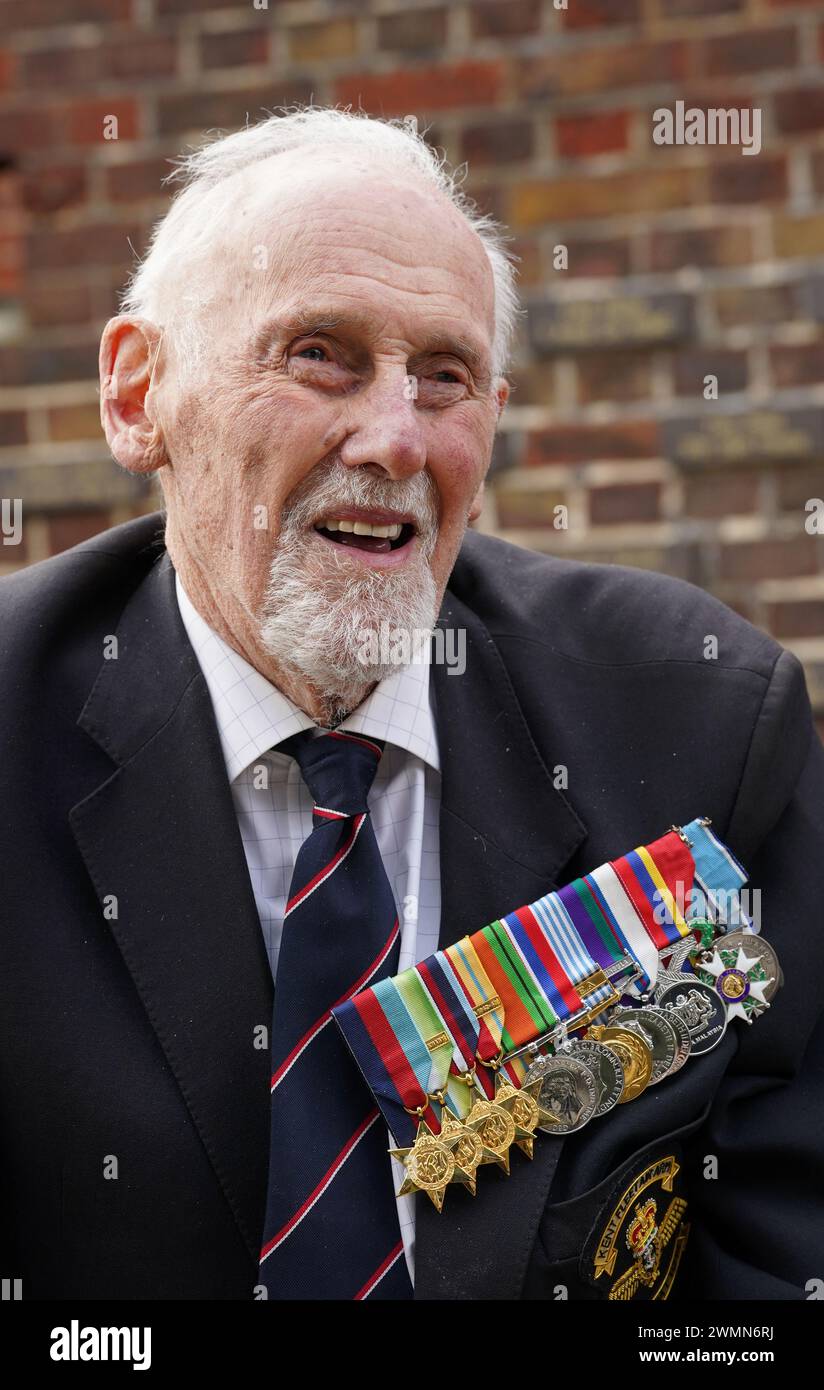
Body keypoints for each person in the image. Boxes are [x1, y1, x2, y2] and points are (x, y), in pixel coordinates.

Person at [1, 107, 822, 1302]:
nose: (392, 439)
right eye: (318, 355)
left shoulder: (700, 720)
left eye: (442, 377)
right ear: (139, 397)